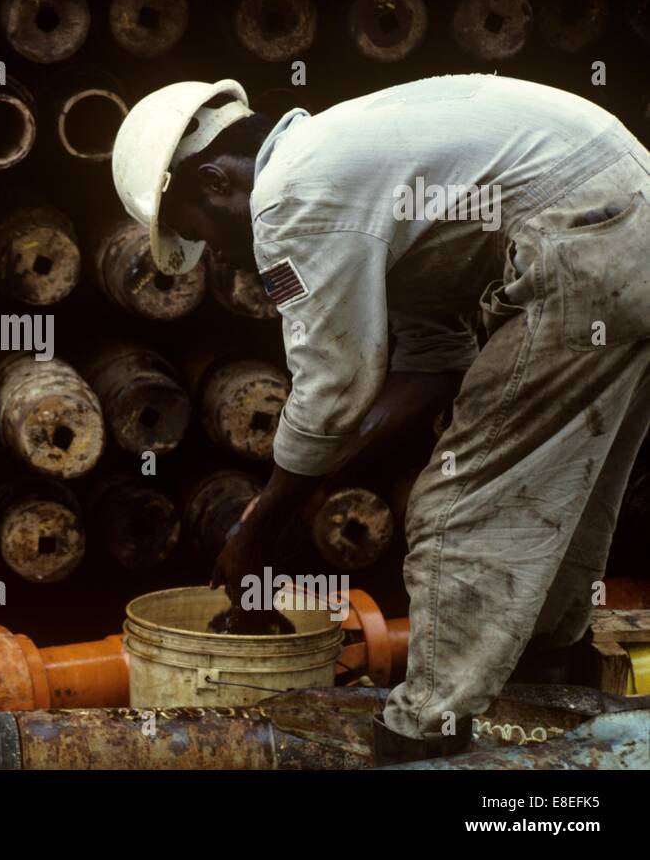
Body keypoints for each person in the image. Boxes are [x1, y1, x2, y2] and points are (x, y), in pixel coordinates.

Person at [110, 75, 650, 763]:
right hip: (623, 221)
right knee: (563, 492)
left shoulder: (289, 199)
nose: (220, 254)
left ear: (216, 179)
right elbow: (434, 363)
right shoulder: (352, 167)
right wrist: (302, 497)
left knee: (455, 507)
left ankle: (421, 734)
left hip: (580, 234)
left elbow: (331, 389)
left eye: (202, 233)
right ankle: (541, 692)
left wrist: (262, 524)